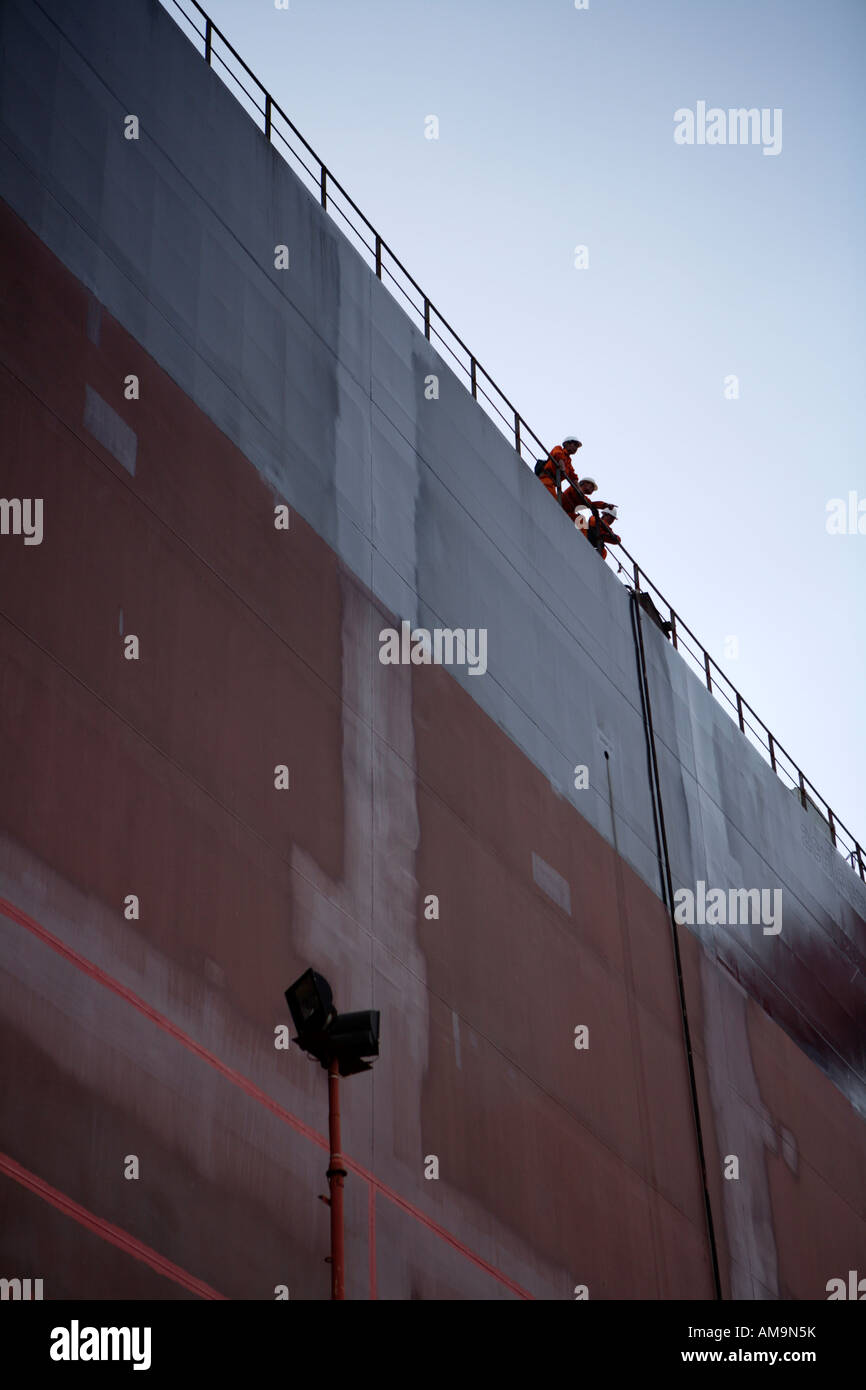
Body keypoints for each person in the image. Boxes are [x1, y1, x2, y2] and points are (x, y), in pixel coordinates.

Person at [537, 435, 592, 518]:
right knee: (551, 501)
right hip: (545, 478)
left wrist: (579, 489)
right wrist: (562, 465)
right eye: (574, 444)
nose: (576, 448)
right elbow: (557, 455)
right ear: (566, 444)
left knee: (553, 502)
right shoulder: (558, 448)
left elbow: (573, 476)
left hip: (552, 483)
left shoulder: (569, 462)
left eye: (577, 446)